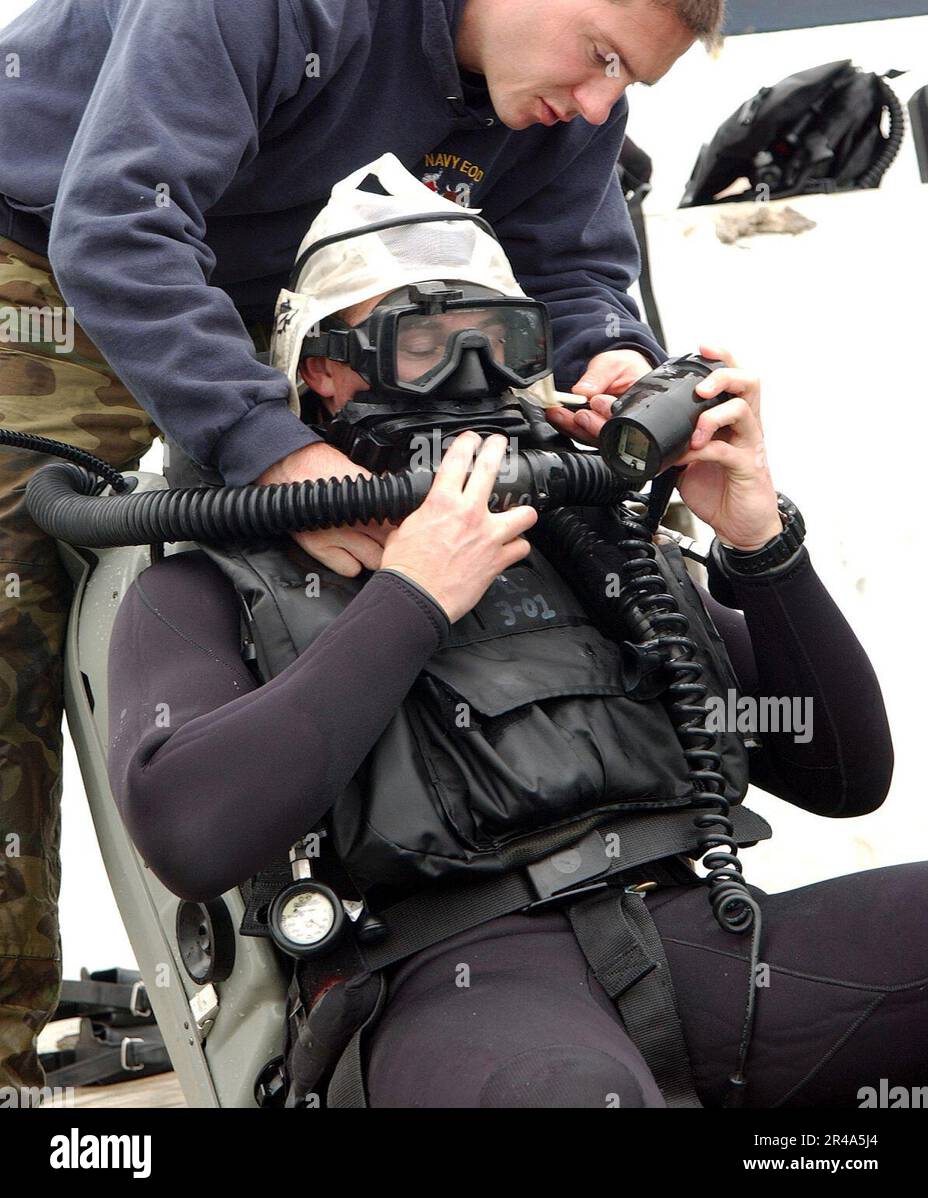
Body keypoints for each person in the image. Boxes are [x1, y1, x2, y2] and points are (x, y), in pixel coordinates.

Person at [0, 0, 721, 1085]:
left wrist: (608, 357)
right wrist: (274, 457)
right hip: (48, 255)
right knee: (12, 615)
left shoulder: (561, 87)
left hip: (270, 289)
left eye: (630, 85)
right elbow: (115, 222)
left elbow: (569, 265)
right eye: (600, 58)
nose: (602, 103)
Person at [102, 203, 925, 1109]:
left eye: (499, 340)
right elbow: (189, 832)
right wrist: (410, 600)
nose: (473, 373)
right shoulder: (218, 581)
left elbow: (844, 774)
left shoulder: (585, 542)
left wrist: (759, 542)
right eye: (426, 342)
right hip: (451, 976)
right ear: (326, 371)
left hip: (700, 935)